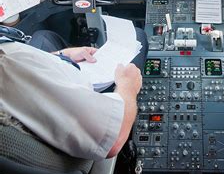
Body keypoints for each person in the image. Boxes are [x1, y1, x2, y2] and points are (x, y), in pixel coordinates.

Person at [0, 25, 147, 161]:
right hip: (81, 115)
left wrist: (62, 56)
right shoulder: (7, 64)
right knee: (138, 37)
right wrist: (128, 87)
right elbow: (113, 140)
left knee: (44, 36)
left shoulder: (9, 59)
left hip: (59, 78)